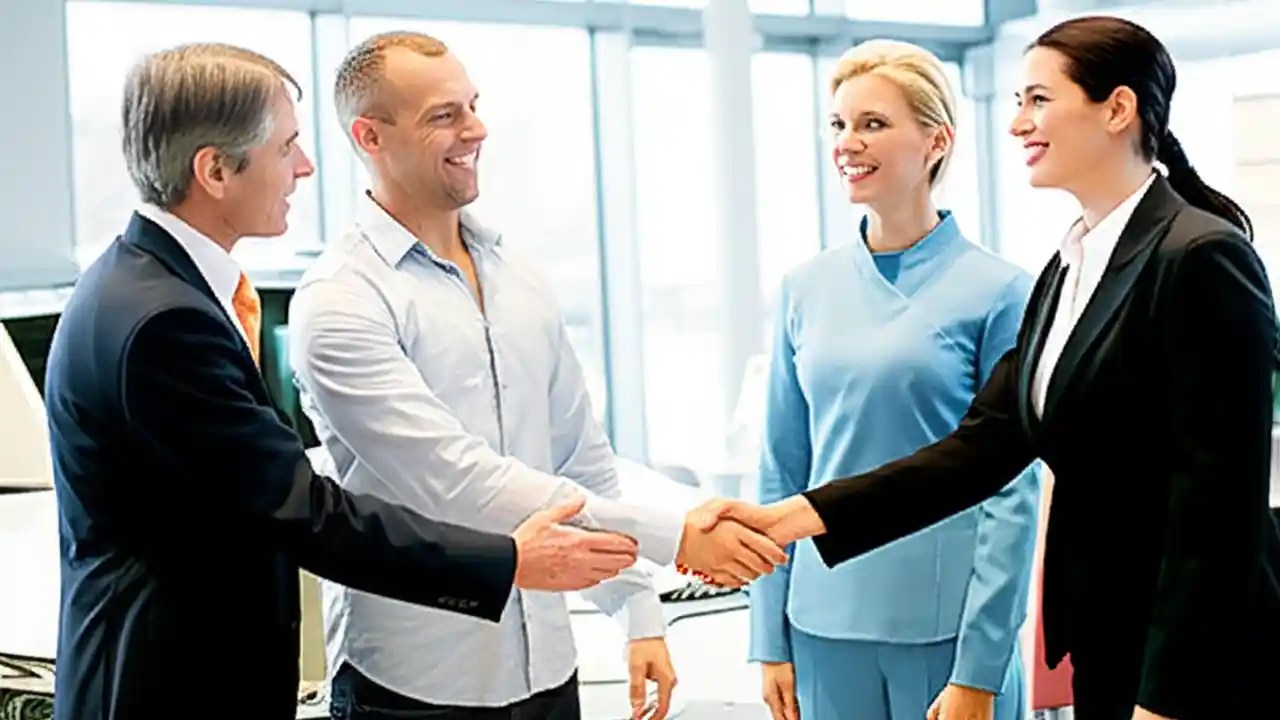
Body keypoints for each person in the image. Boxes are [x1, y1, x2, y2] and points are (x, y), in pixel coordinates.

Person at [43, 43, 649, 720]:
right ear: (214, 170)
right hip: (169, 692)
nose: (303, 167)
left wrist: (632, 594)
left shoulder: (144, 288)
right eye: (286, 149)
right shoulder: (161, 320)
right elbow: (301, 511)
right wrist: (509, 562)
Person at [701, 15, 1280, 720]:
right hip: (1107, 643)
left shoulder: (1198, 256)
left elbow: (1220, 512)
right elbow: (982, 448)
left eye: (1038, 100)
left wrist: (1164, 700)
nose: (1017, 125)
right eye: (1016, 103)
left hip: (1187, 670)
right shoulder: (1070, 268)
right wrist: (795, 516)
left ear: (1117, 109)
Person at [286, 32, 785, 720]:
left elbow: (581, 455)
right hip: (412, 682)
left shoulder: (517, 275)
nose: (476, 129)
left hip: (548, 669)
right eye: (443, 116)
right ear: (370, 136)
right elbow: (456, 478)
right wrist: (674, 533)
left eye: (472, 106)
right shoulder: (339, 298)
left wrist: (636, 609)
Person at [746, 39, 1041, 720]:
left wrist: (981, 667)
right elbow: (779, 470)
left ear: (936, 141)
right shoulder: (802, 289)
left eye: (873, 123)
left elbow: (1010, 492)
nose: (849, 142)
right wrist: (769, 639)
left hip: (947, 636)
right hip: (819, 626)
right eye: (839, 125)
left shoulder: (1002, 292)